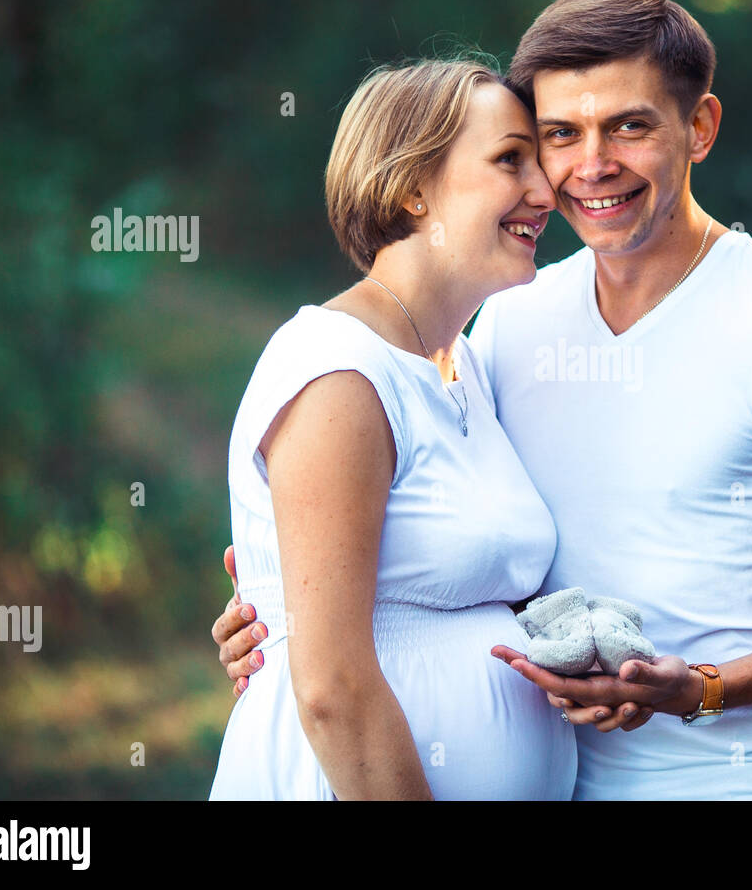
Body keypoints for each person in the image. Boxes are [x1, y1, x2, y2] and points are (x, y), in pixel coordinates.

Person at [216, 0, 752, 800]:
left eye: (629, 126)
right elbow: (459, 555)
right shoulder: (511, 322)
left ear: (697, 128)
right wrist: (284, 621)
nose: (590, 166)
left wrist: (705, 688)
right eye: (557, 135)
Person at [208, 57, 577, 800]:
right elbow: (333, 688)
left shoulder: (462, 364)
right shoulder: (337, 370)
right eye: (511, 160)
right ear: (412, 188)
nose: (546, 191)